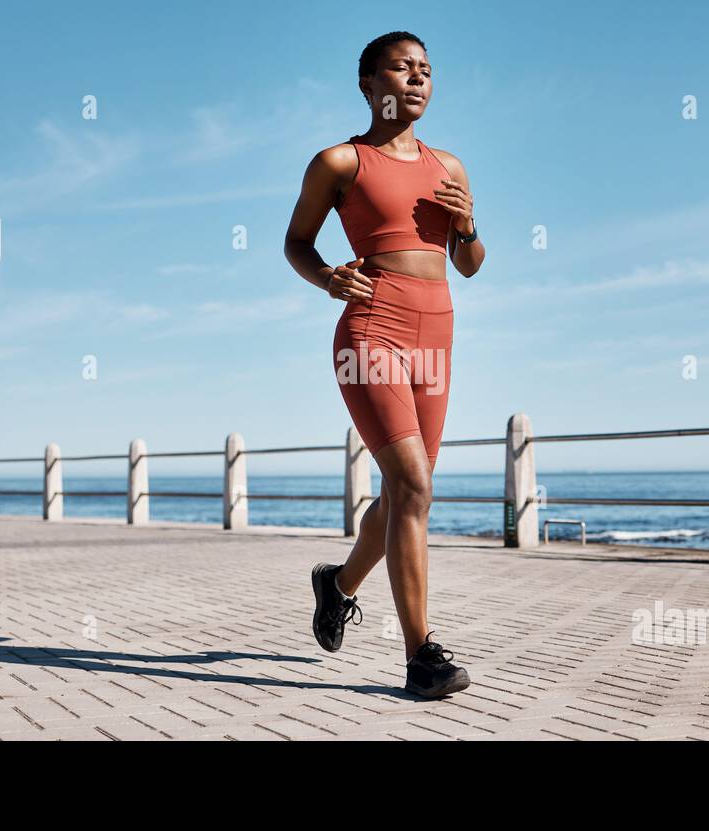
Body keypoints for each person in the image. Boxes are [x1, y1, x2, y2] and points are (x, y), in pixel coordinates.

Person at [283, 31, 486, 698]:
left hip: (438, 332)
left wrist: (468, 226)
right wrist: (328, 279)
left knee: (407, 491)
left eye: (426, 70)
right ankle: (421, 656)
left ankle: (336, 585)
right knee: (416, 486)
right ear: (370, 84)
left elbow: (471, 263)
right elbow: (297, 242)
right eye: (403, 68)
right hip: (371, 329)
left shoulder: (450, 166)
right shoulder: (340, 161)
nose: (418, 79)